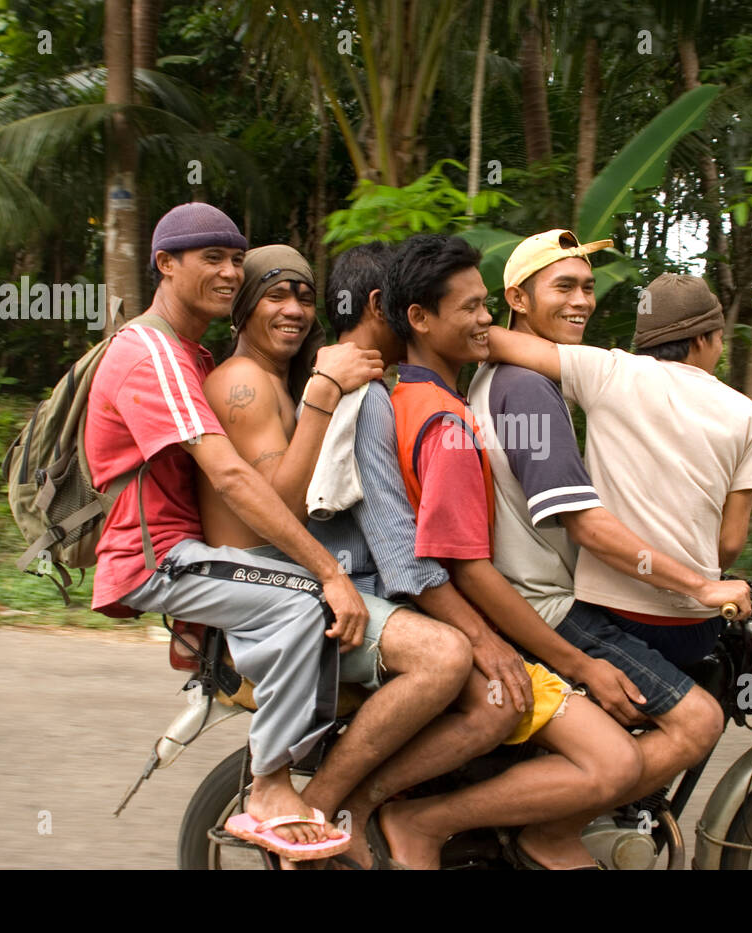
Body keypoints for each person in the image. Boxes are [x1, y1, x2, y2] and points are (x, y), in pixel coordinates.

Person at [86, 203, 365, 861]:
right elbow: (234, 480)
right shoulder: (150, 351)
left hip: (188, 551)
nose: (229, 271)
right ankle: (269, 783)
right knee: (308, 597)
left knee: (311, 590)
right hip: (156, 556)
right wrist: (328, 574)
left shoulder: (191, 351)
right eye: (212, 257)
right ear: (165, 264)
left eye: (237, 260)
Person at [197, 242, 485, 868]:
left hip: (296, 586)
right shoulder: (251, 383)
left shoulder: (294, 381)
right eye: (275, 295)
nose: (294, 310)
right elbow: (283, 507)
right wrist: (325, 390)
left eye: (303, 295)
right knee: (448, 658)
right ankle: (323, 808)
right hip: (276, 596)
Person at [466, 230, 752, 858]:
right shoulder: (527, 393)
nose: (582, 301)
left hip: (536, 590)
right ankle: (546, 830)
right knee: (698, 719)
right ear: (518, 296)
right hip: (544, 603)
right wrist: (701, 584)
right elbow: (588, 527)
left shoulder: (517, 379)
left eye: (588, 287)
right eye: (563, 286)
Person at [372, 234, 644, 870]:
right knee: (617, 761)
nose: (485, 320)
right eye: (469, 308)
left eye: (485, 305)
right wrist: (576, 663)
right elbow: (465, 566)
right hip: (495, 619)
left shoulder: (422, 398)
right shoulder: (448, 422)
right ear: (419, 318)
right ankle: (421, 824)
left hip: (480, 615)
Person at [303, 241, 529, 868]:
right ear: (391, 308)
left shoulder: (370, 386)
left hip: (374, 585)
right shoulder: (370, 395)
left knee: (493, 699)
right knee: (462, 666)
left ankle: (370, 803)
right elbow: (403, 554)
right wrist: (485, 638)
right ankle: (323, 807)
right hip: (360, 591)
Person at [486, 268, 752, 660]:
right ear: (703, 339)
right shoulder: (746, 413)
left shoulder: (608, 372)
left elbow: (493, 339)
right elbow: (731, 543)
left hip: (612, 611)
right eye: (719, 340)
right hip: (694, 625)